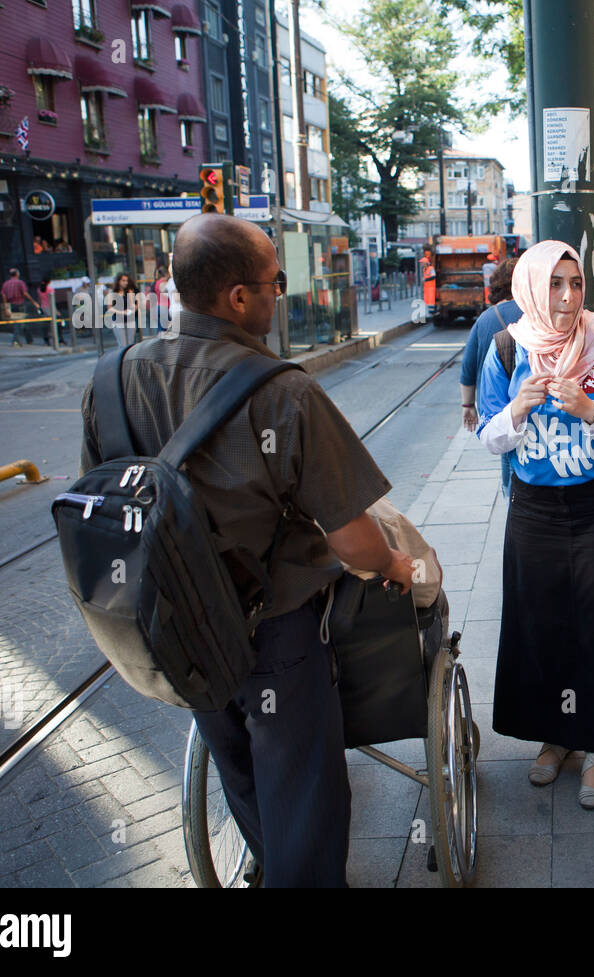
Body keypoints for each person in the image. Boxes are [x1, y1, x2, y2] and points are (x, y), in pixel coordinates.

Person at [79, 213, 415, 886]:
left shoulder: (113, 379)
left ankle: (269, 859)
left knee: (236, 762)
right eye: (274, 281)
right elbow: (351, 535)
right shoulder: (282, 391)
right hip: (273, 631)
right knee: (304, 792)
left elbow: (102, 500)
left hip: (174, 626)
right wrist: (394, 565)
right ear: (238, 297)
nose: (278, 294)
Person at [476, 240, 594, 809]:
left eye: (576, 283)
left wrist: (587, 410)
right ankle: (556, 736)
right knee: (542, 625)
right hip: (534, 511)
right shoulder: (506, 349)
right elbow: (489, 438)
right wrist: (518, 410)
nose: (567, 296)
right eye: (555, 283)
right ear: (530, 287)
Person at [461, 257, 521, 496]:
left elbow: (468, 368)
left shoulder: (486, 319)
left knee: (508, 452)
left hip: (497, 406)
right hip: (532, 401)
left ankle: (512, 499)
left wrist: (468, 406)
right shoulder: (538, 312)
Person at [1, 268, 42, 346]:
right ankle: (15, 340)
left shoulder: (5, 284)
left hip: (11, 305)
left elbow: (3, 295)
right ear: (17, 274)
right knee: (19, 323)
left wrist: (6, 307)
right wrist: (34, 302)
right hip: (20, 304)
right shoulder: (20, 282)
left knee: (20, 323)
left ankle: (29, 339)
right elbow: (25, 293)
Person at [107, 272, 139, 346]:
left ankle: (130, 358)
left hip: (130, 320)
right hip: (118, 321)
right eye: (123, 281)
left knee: (130, 344)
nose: (126, 283)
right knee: (122, 344)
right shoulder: (112, 292)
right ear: (118, 281)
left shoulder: (129, 291)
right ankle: (123, 357)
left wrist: (133, 308)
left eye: (126, 281)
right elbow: (109, 308)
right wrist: (121, 312)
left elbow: (132, 305)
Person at [152, 264, 172, 333]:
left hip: (159, 307)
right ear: (167, 273)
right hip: (165, 308)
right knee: (166, 329)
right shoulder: (164, 283)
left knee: (161, 329)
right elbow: (166, 294)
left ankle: (159, 342)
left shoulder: (157, 282)